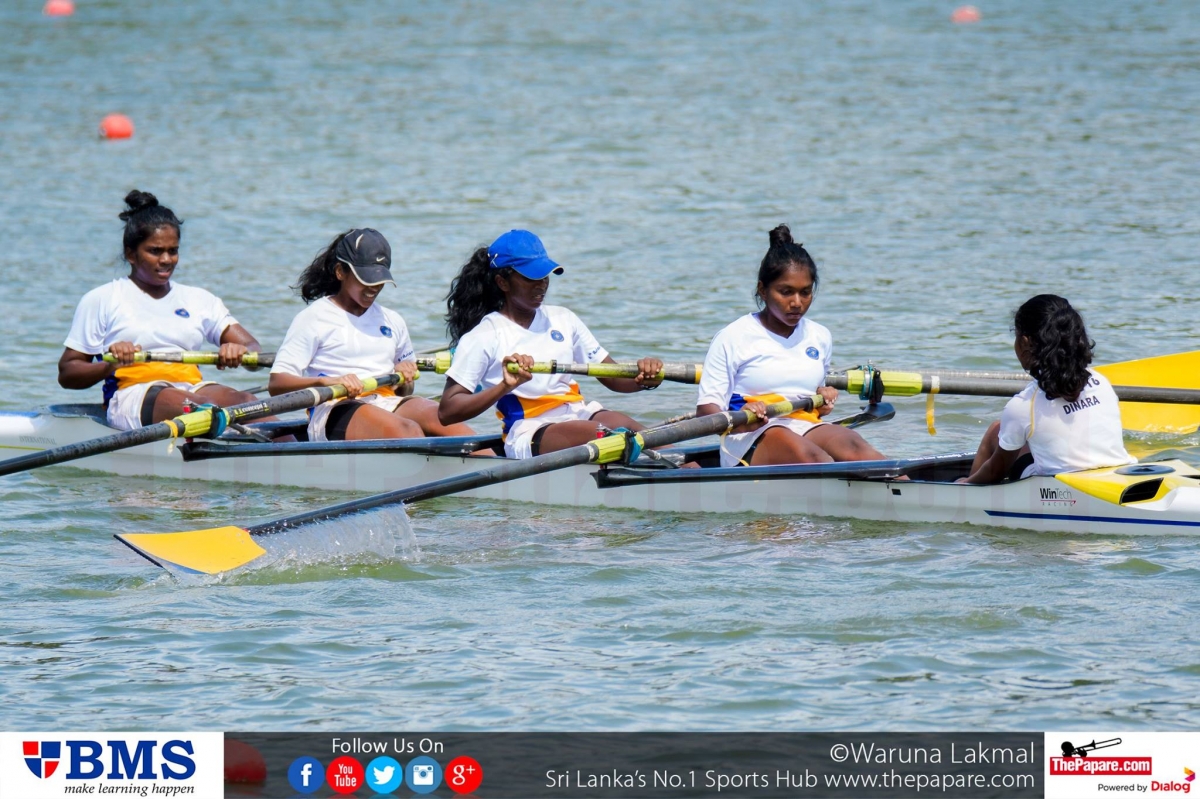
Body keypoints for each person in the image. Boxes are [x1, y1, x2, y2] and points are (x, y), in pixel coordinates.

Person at [437, 229, 663, 459]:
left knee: (652, 437)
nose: (542, 284)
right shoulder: (484, 336)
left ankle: (690, 468)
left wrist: (645, 379)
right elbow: (447, 411)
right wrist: (505, 386)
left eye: (544, 276)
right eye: (530, 278)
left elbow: (614, 378)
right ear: (502, 282)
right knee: (612, 436)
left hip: (579, 414)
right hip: (529, 430)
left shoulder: (564, 319)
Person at [58, 190, 268, 431]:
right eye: (155, 251)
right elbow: (67, 373)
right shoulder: (102, 299)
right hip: (132, 393)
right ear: (130, 254)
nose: (167, 259)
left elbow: (255, 353)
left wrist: (239, 350)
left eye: (173, 250)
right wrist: (110, 365)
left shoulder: (199, 299)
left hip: (192, 388)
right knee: (200, 407)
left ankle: (293, 447)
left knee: (248, 403)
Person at [696, 224, 888, 467]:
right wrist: (744, 418)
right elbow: (706, 411)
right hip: (748, 435)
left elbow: (813, 397)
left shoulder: (819, 335)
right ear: (763, 290)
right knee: (812, 457)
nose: (797, 303)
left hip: (805, 423)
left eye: (805, 292)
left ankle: (907, 485)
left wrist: (823, 398)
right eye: (785, 292)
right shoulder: (733, 336)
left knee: (855, 446)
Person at [269, 228, 483, 443]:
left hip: (386, 400)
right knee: (407, 431)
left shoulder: (393, 320)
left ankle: (498, 468)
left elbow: (404, 391)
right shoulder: (314, 318)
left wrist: (404, 378)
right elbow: (277, 384)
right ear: (340, 272)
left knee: (452, 426)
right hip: (335, 406)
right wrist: (326, 382)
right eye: (365, 279)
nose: (373, 287)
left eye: (379, 280)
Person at [959, 294, 1135, 484]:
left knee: (997, 430)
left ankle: (966, 495)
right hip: (1118, 475)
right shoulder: (1102, 382)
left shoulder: (1024, 405)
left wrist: (963, 483)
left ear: (1025, 343)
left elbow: (995, 471)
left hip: (1057, 492)